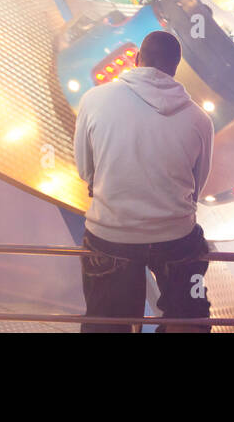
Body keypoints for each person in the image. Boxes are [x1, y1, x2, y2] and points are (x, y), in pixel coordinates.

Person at [73, 30, 215, 332]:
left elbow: (85, 171)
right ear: (175, 68)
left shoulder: (94, 100)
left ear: (137, 59)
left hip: (110, 233)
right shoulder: (200, 120)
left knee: (106, 321)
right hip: (175, 238)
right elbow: (196, 188)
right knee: (189, 315)